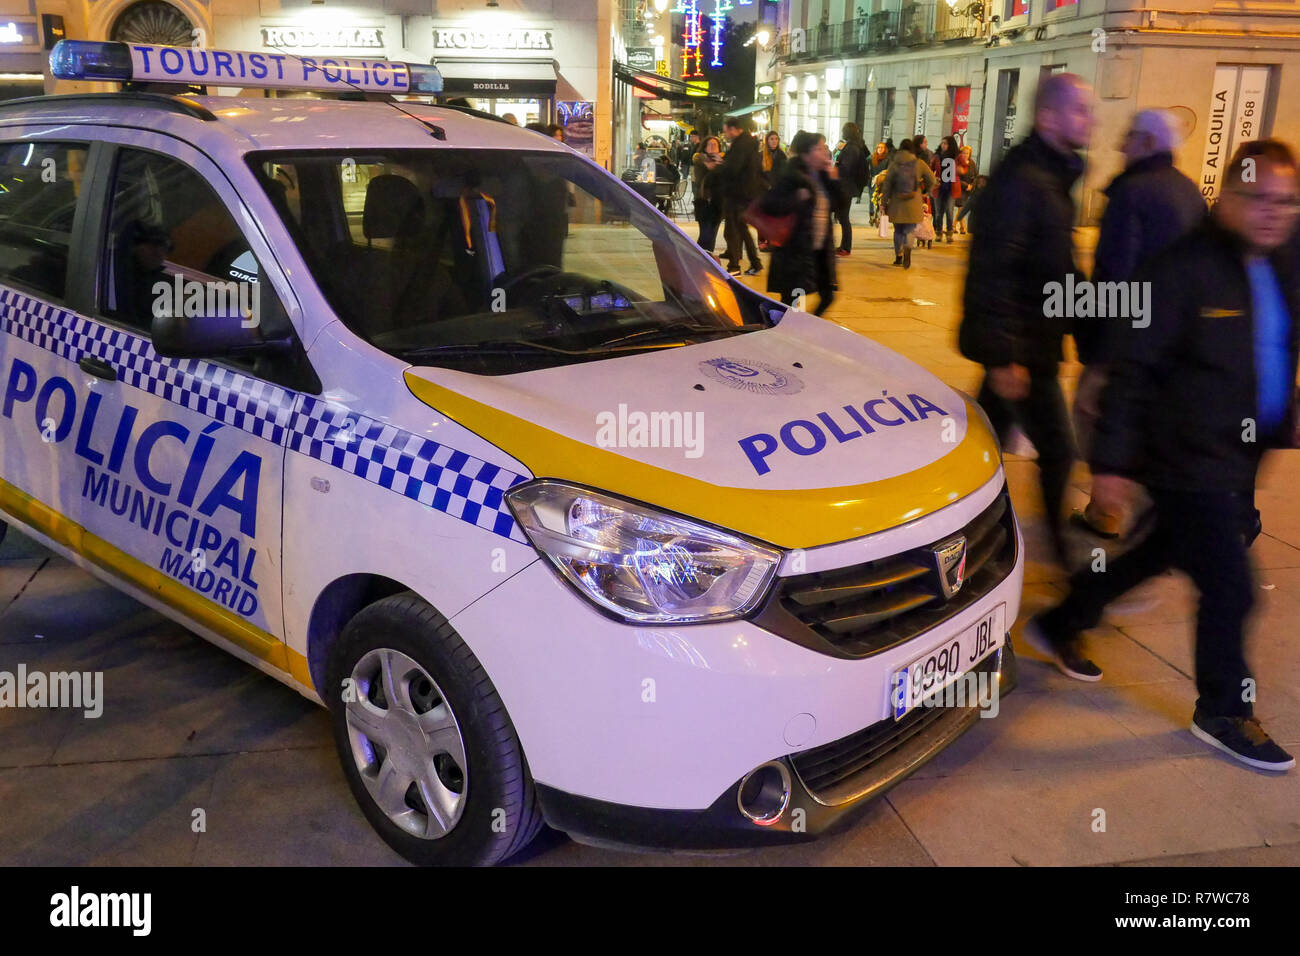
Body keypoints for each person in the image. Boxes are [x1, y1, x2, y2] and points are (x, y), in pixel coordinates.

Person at [1024, 139, 1300, 773]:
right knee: (1233, 589)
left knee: (1155, 553)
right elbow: (1133, 371)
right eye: (1258, 199)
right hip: (1186, 456)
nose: (1273, 213)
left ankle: (1063, 621)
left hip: (1238, 455)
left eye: (1286, 202)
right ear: (1227, 198)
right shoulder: (1183, 269)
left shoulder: (1279, 261)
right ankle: (1224, 710)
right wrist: (1112, 467)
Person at [957, 72, 1095, 567]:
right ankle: (1055, 550)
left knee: (983, 448)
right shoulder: (1025, 181)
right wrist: (1003, 356)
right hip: (1022, 350)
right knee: (1057, 452)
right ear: (1048, 117)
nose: (1091, 120)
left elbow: (1060, 270)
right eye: (1080, 110)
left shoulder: (1051, 178)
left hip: (1028, 345)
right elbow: (993, 269)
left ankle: (963, 535)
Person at [1071, 109, 1207, 540]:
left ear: (1149, 143)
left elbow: (1115, 275)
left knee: (1094, 414)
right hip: (1177, 339)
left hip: (1131, 336)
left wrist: (1099, 354)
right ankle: (1155, 515)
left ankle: (1107, 510)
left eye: (1129, 138)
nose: (1120, 146)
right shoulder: (1190, 192)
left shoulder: (1132, 193)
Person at [759, 130, 841, 315]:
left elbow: (839, 204)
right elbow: (770, 205)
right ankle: (775, 325)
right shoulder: (791, 175)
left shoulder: (823, 175)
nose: (825, 152)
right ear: (807, 153)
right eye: (819, 149)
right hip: (796, 252)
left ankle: (796, 327)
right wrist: (796, 199)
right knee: (792, 302)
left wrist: (834, 179)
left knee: (827, 296)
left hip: (819, 250)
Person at [717, 116, 764, 276]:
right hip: (745, 193)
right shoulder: (747, 143)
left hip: (738, 194)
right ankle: (754, 263)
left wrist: (721, 165)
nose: (725, 135)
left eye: (726, 132)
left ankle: (734, 266)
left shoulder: (741, 145)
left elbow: (734, 169)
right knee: (741, 229)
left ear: (732, 129)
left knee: (735, 229)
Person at [881, 137, 935, 269]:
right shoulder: (919, 163)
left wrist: (883, 202)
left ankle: (898, 256)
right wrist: (925, 191)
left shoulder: (894, 164)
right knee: (909, 230)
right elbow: (932, 180)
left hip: (896, 201)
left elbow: (887, 185)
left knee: (898, 231)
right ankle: (908, 249)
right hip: (914, 201)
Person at [833, 122, 869, 257]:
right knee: (842, 217)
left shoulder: (852, 148)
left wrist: (837, 166)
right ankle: (844, 246)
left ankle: (846, 247)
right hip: (846, 186)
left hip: (845, 187)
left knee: (843, 217)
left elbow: (846, 168)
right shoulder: (853, 146)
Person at [692, 135, 724, 254]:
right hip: (704, 201)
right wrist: (719, 163)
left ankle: (708, 261)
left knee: (712, 236)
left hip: (718, 202)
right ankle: (698, 257)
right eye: (709, 144)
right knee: (705, 234)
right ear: (704, 147)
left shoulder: (723, 161)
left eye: (715, 144)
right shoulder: (700, 158)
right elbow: (707, 176)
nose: (712, 146)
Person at [758, 132, 788, 252]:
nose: (774, 141)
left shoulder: (782, 155)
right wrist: (766, 185)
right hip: (763, 191)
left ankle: (772, 242)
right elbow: (757, 174)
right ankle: (762, 241)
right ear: (767, 141)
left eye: (776, 139)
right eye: (771, 139)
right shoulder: (760, 155)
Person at [931, 135, 960, 242]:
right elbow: (930, 170)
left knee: (949, 210)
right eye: (942, 143)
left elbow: (964, 168)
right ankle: (938, 233)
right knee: (938, 212)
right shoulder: (937, 156)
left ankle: (949, 233)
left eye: (945, 143)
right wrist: (934, 178)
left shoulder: (956, 156)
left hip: (951, 187)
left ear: (951, 145)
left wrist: (959, 170)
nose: (943, 145)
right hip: (939, 187)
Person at [953, 145, 977, 234]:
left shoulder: (972, 163)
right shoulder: (958, 163)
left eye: (967, 153)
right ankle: (960, 227)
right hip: (960, 187)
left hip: (969, 189)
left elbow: (975, 175)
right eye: (964, 153)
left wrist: (971, 185)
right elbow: (956, 177)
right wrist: (966, 185)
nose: (965, 155)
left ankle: (956, 227)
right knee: (961, 207)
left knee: (961, 208)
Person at [867, 141, 890, 223]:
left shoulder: (887, 159)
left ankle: (878, 216)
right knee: (872, 199)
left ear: (885, 149)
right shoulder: (871, 158)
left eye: (882, 147)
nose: (880, 149)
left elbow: (888, 170)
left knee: (880, 200)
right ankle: (871, 215)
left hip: (882, 182)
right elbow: (867, 169)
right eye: (879, 147)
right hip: (872, 181)